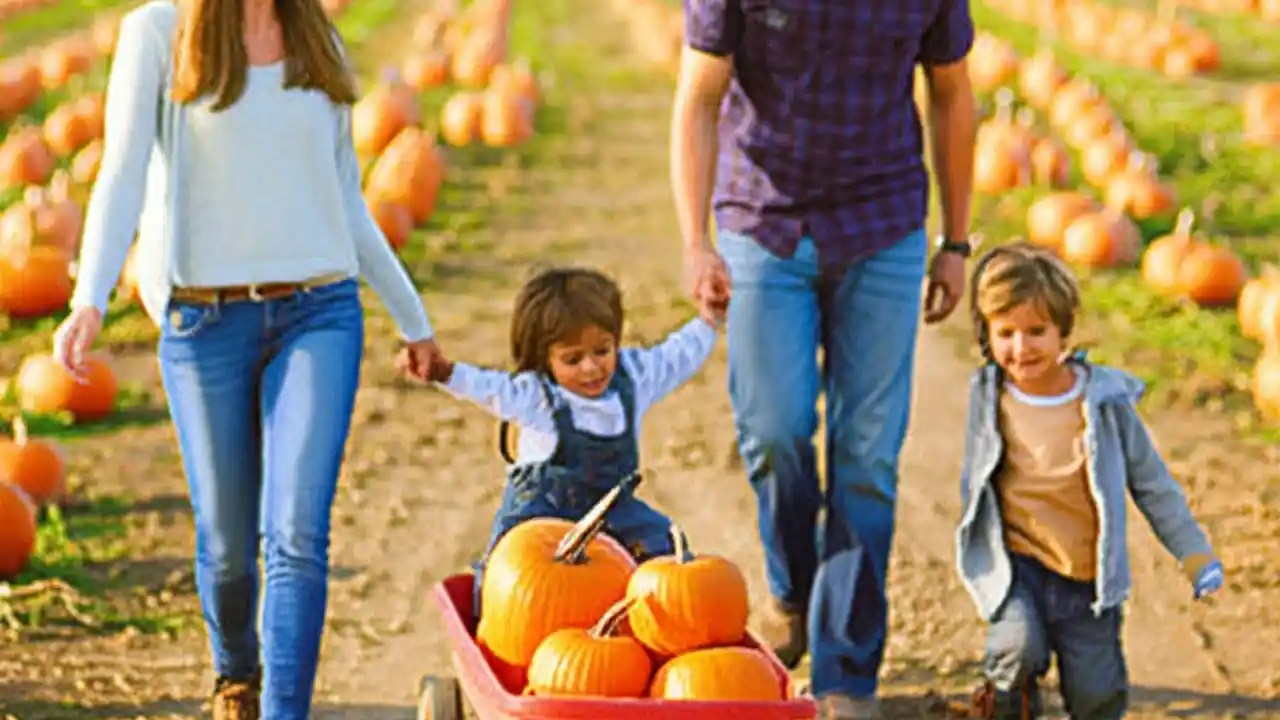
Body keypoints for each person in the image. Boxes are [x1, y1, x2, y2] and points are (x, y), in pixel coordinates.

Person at [49, 0, 445, 718]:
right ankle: (236, 671)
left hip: (319, 312)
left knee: (296, 534)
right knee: (229, 546)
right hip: (205, 323)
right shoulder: (161, 34)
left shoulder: (314, 33)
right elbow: (122, 174)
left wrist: (412, 318)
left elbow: (348, 202)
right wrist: (90, 301)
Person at [671, 2, 978, 717]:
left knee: (867, 455)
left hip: (884, 220)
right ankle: (797, 588)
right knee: (772, 430)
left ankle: (846, 668)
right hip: (761, 216)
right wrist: (695, 239)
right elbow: (700, 93)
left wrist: (956, 242)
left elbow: (953, 90)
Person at [955, 243, 1224, 719]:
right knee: (1015, 651)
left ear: (1064, 330)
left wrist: (1193, 553)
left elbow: (1153, 485)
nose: (1021, 348)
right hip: (1019, 566)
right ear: (986, 335)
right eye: (1005, 333)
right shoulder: (989, 397)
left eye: (1037, 331)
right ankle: (1003, 707)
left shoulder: (1104, 403)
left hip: (1086, 580)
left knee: (1095, 693)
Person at [422, 266, 718, 612]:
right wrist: (444, 372)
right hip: (541, 516)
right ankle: (490, 634)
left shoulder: (632, 378)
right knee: (507, 573)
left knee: (664, 543)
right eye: (573, 359)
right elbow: (490, 389)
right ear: (545, 359)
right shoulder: (537, 397)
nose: (591, 368)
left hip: (611, 508)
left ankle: (671, 624)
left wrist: (709, 321)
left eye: (602, 351)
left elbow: (675, 357)